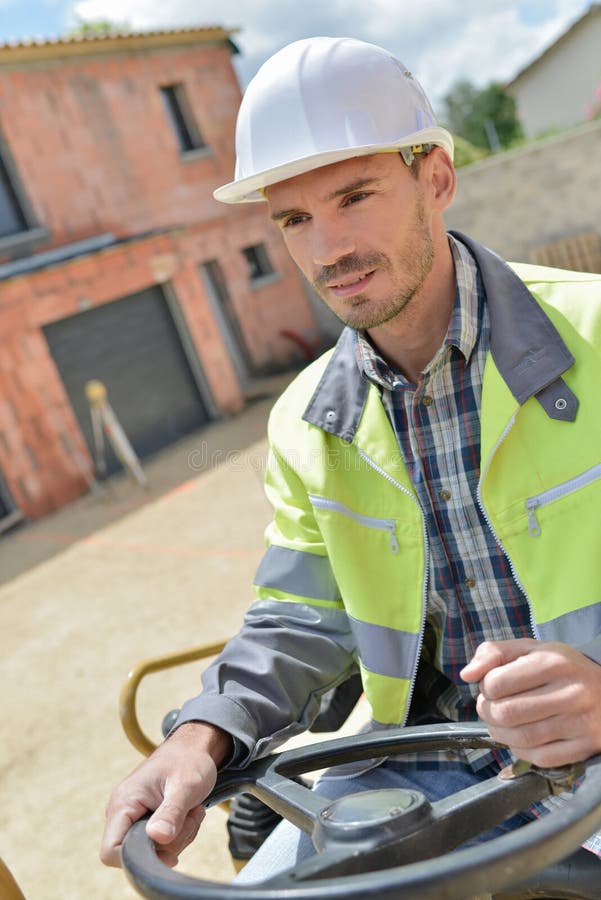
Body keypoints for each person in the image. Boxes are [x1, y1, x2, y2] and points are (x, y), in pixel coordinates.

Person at [101, 36, 601, 877]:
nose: (327, 247)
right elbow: (297, 618)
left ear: (434, 178)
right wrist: (200, 733)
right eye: (294, 218)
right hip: (423, 765)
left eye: (354, 196)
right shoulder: (305, 420)